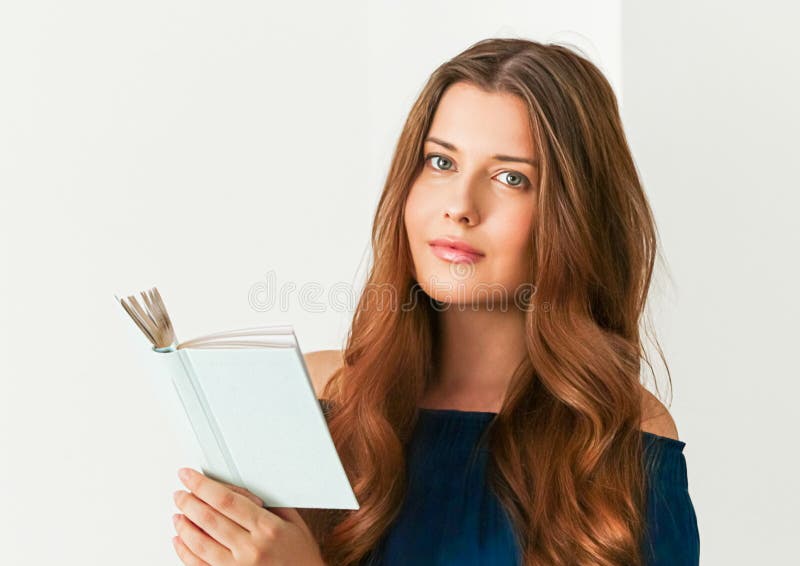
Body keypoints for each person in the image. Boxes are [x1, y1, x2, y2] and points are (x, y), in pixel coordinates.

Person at [172, 37, 700, 566]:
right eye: (440, 162)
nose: (460, 206)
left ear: (573, 216)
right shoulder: (308, 401)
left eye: (511, 178)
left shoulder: (624, 439)